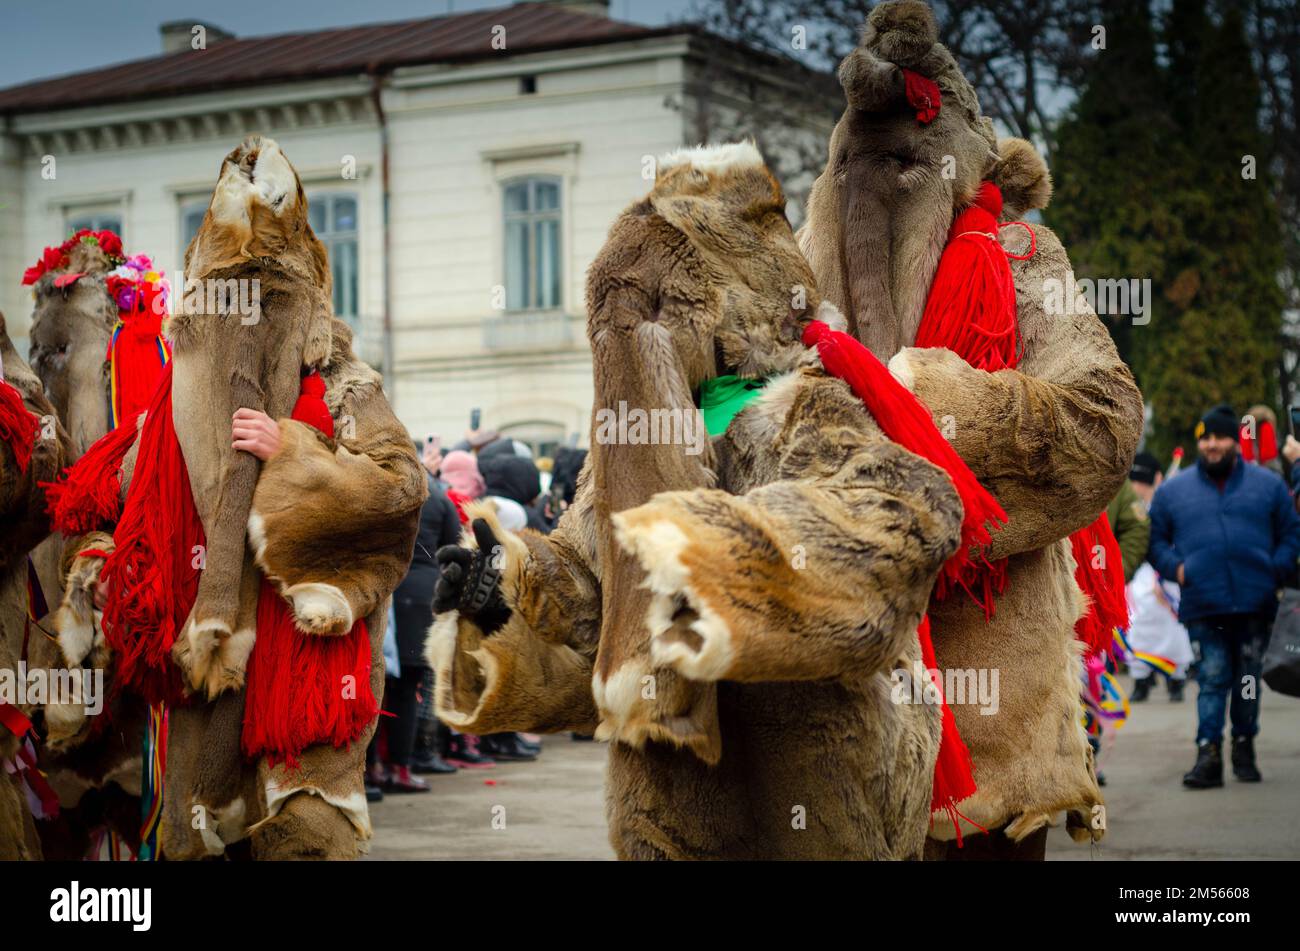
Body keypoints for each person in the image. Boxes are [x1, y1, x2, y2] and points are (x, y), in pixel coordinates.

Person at [1148, 404, 1300, 788]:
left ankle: (1244, 744)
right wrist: (1177, 569)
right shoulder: (1173, 492)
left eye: (1219, 437)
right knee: (1213, 678)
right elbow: (1156, 540)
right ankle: (1208, 754)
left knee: (1247, 681)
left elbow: (1291, 532)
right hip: (1204, 605)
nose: (1212, 445)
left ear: (1235, 440)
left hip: (1255, 604)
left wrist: (1275, 567)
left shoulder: (1266, 486)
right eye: (1206, 438)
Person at [366, 442, 463, 794]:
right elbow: (454, 545)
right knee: (407, 689)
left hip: (384, 589)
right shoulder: (436, 494)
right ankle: (400, 770)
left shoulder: (380, 482)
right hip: (424, 595)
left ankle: (371, 768)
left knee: (375, 685)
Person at [1123, 452, 1192, 702]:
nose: (1138, 486)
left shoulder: (1169, 503)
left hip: (1165, 570)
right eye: (1135, 480)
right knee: (1139, 622)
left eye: (1142, 480)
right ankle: (1141, 678)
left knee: (1172, 625)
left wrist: (1163, 574)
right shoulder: (1129, 506)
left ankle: (1176, 679)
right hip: (1139, 572)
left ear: (1157, 478)